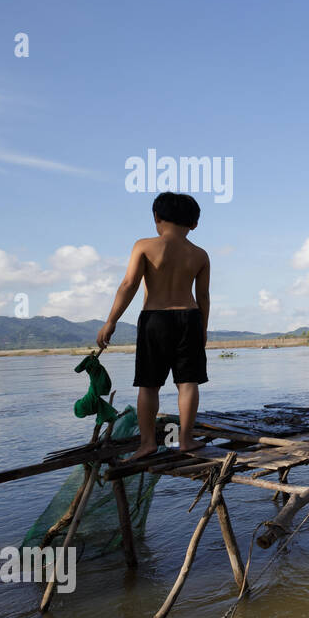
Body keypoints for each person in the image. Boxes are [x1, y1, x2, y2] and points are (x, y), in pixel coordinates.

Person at [96, 192, 211, 459]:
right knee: (188, 383)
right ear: (194, 224)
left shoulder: (144, 246)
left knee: (148, 385)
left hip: (155, 319)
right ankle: (185, 439)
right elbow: (203, 296)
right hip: (190, 318)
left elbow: (128, 285)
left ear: (157, 218)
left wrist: (111, 321)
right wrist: (203, 328)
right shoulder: (200, 254)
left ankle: (147, 443)